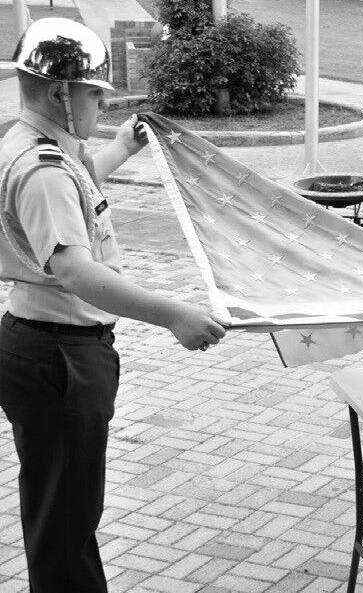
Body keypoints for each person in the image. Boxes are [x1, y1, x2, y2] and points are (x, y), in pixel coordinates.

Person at [0, 18, 227, 593]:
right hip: (61, 359)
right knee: (65, 524)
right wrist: (174, 315)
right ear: (59, 92)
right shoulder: (43, 169)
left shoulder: (33, 146)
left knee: (65, 512)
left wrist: (122, 146)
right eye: (93, 92)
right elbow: (76, 271)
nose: (100, 102)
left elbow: (77, 194)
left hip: (47, 351)